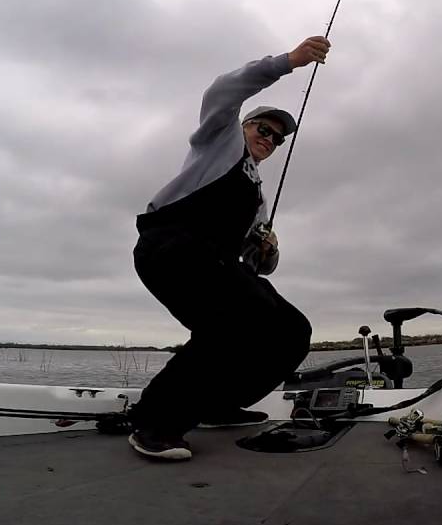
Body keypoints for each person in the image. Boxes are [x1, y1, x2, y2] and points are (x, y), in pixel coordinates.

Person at [127, 35, 331, 461]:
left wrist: (268, 250)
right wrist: (289, 61)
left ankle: (217, 404)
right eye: (264, 129)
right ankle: (154, 422)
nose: (269, 139)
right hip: (169, 246)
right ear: (244, 126)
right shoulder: (219, 141)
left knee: (292, 330)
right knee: (231, 323)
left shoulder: (257, 197)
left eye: (277, 139)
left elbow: (259, 267)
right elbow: (223, 90)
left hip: (216, 261)